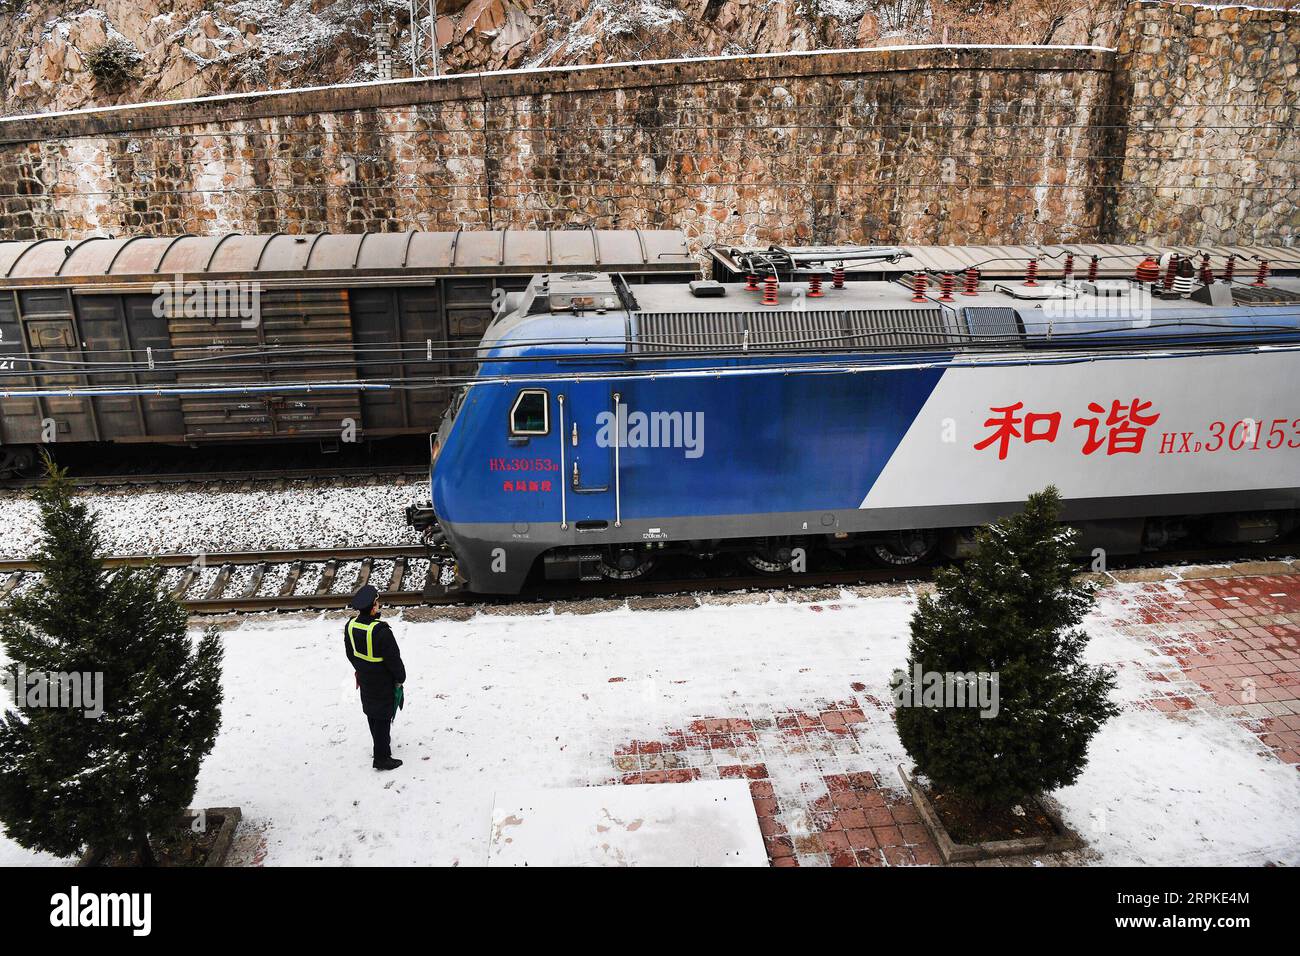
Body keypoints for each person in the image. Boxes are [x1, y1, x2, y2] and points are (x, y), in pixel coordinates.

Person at [344, 584, 406, 771]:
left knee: (372, 712)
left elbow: (350, 653)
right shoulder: (381, 632)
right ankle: (382, 757)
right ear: (372, 608)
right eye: (377, 603)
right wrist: (401, 678)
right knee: (383, 717)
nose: (379, 606)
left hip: (365, 678)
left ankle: (380, 745)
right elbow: (394, 659)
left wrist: (361, 669)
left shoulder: (350, 626)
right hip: (383, 682)